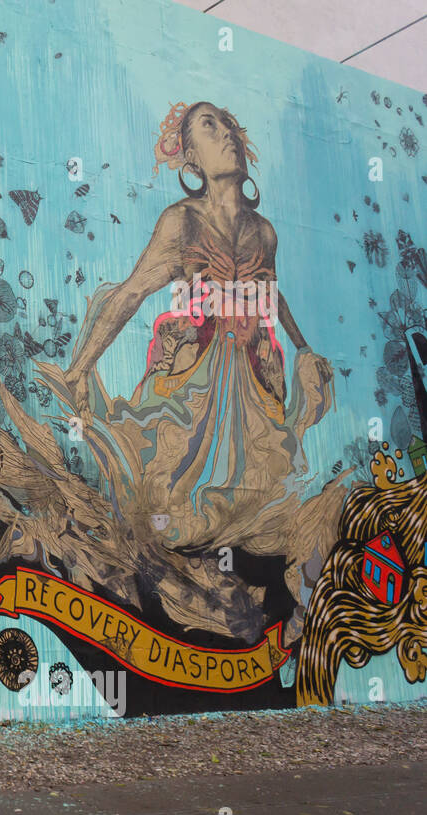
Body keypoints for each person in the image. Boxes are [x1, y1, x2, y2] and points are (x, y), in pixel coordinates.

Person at [48, 100, 334, 552]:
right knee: (173, 500)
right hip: (191, 385)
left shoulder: (265, 232)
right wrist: (81, 367)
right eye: (209, 126)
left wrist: (303, 349)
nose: (227, 135)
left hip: (253, 389)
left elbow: (270, 294)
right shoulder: (181, 222)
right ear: (191, 158)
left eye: (229, 126)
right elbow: (130, 293)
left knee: (256, 499)